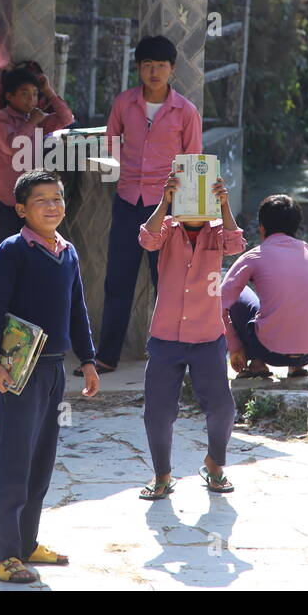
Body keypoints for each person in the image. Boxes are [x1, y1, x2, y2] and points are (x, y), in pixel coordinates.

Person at [0, 169, 100, 583]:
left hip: (53, 369)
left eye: (58, 199)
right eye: (41, 200)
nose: (52, 207)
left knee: (41, 460)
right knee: (15, 460)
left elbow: (78, 309)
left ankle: (27, 543)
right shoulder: (13, 251)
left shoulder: (67, 251)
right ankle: (3, 555)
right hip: (19, 369)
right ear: (20, 209)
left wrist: (87, 359)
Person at [90, 35, 202, 374]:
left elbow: (194, 161)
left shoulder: (185, 111)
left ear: (172, 69)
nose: (154, 72)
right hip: (127, 201)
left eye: (161, 66)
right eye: (148, 66)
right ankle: (106, 356)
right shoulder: (125, 104)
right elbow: (111, 146)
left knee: (167, 283)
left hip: (166, 209)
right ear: (138, 68)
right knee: (117, 280)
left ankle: (171, 356)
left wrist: (189, 218)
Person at [137, 170, 244, 499]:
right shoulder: (168, 229)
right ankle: (162, 475)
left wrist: (224, 205)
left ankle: (215, 465)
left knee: (222, 408)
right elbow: (146, 238)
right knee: (158, 411)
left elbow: (236, 244)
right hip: (166, 337)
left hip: (208, 337)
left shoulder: (217, 232)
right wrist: (165, 201)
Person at [221, 194, 308, 381]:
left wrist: (235, 346)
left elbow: (220, 302)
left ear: (262, 228)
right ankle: (296, 367)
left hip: (268, 351)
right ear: (296, 226)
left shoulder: (254, 257)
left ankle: (257, 363)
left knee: (239, 295)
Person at [0, 66, 74, 243]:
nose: (31, 99)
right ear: (9, 96)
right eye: (24, 93)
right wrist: (33, 121)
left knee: (32, 249)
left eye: (35, 94)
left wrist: (48, 92)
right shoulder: (2, 119)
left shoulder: (37, 120)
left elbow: (66, 118)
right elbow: (13, 146)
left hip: (32, 201)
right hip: (6, 201)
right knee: (10, 249)